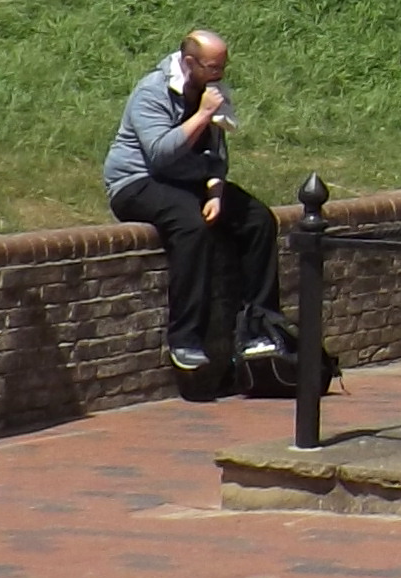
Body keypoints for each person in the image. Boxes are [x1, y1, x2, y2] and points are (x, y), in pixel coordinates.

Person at [104, 32, 282, 381]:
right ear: (189, 63)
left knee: (259, 220)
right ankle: (185, 338)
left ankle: (260, 326)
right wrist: (202, 114)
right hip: (138, 182)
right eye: (213, 67)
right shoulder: (151, 92)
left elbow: (217, 155)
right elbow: (160, 154)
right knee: (191, 226)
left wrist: (216, 193)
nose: (220, 73)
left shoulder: (213, 92)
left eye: (223, 66)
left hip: (191, 182)